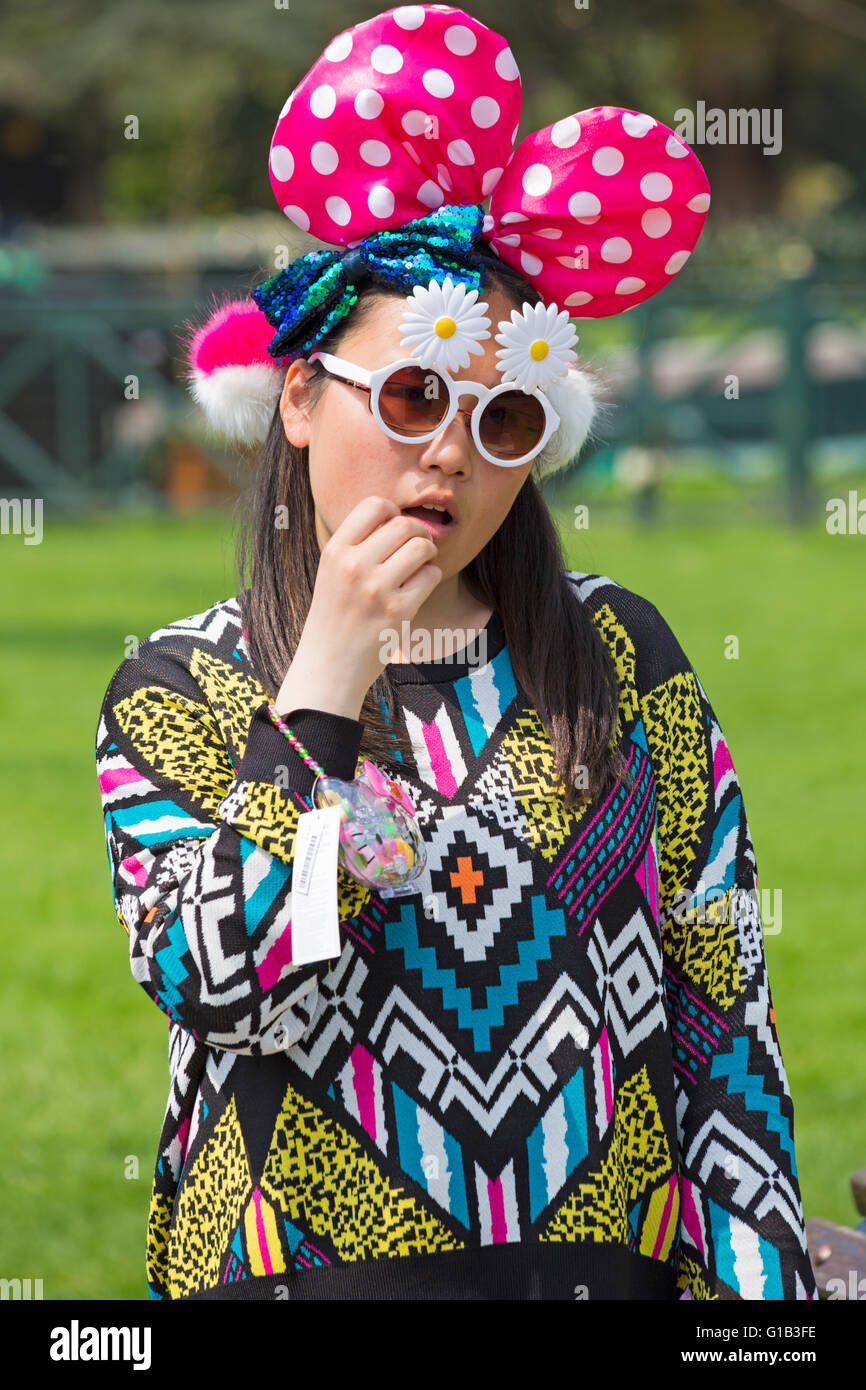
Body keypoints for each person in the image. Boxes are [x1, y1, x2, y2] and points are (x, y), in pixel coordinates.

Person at [94, 4, 816, 1301]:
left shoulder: (615, 653)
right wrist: (320, 689)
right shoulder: (182, 685)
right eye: (416, 392)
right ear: (302, 396)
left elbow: (724, 1016)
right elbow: (220, 986)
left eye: (505, 415)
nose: (449, 451)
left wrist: (761, 1308)